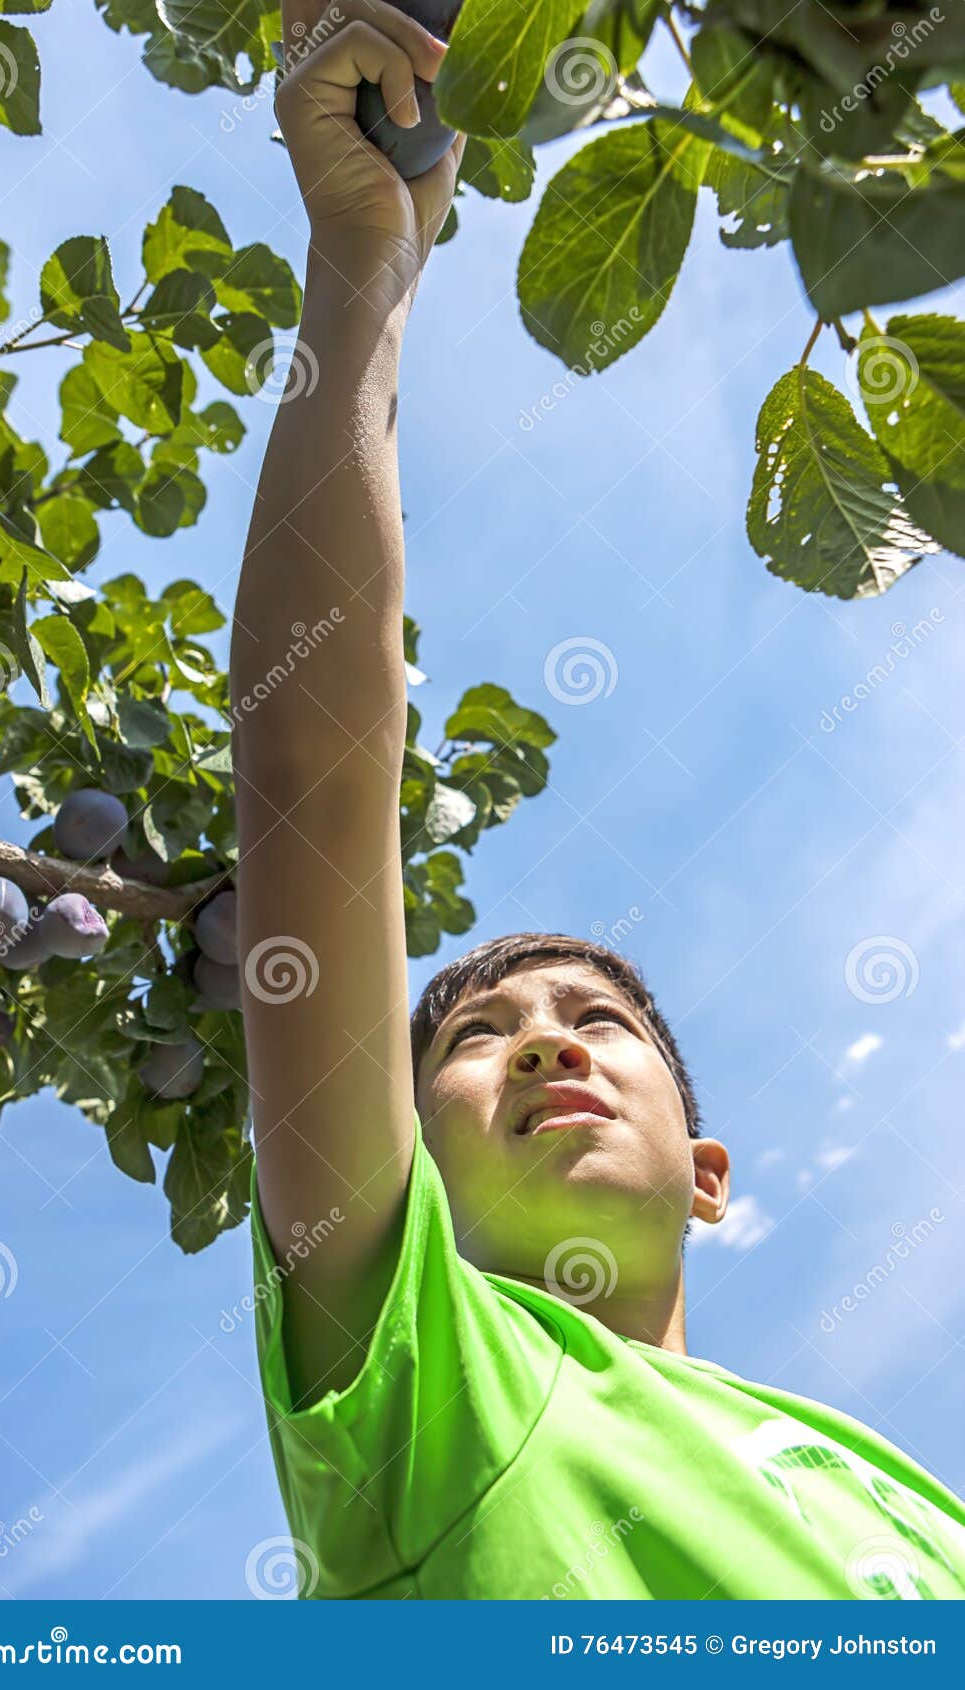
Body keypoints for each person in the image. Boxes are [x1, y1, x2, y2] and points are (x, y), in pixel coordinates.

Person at [229, 0, 965, 1601]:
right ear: (398, 1154)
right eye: (473, 1037)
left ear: (710, 1171)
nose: (543, 1037)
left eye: (591, 1018)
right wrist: (365, 265)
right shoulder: (422, 1378)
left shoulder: (916, 1507)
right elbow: (311, 776)